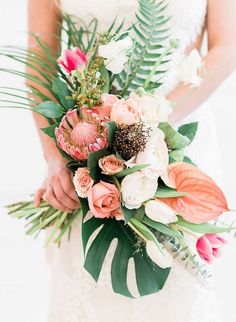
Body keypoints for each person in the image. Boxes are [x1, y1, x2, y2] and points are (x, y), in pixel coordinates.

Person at [28, 0, 236, 321]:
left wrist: (151, 121)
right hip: (87, 152)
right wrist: (55, 161)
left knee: (176, 295)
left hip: (176, 141)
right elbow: (39, 61)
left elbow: (226, 47)